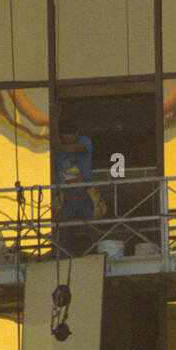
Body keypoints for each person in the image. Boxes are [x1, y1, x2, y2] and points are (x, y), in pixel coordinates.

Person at [50, 105, 97, 255]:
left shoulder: (85, 142)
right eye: (65, 135)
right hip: (67, 198)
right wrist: (54, 120)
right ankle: (65, 258)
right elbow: (55, 142)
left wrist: (59, 144)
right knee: (66, 235)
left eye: (72, 134)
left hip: (85, 195)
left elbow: (69, 148)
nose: (69, 137)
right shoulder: (59, 145)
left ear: (77, 133)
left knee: (92, 231)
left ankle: (95, 255)